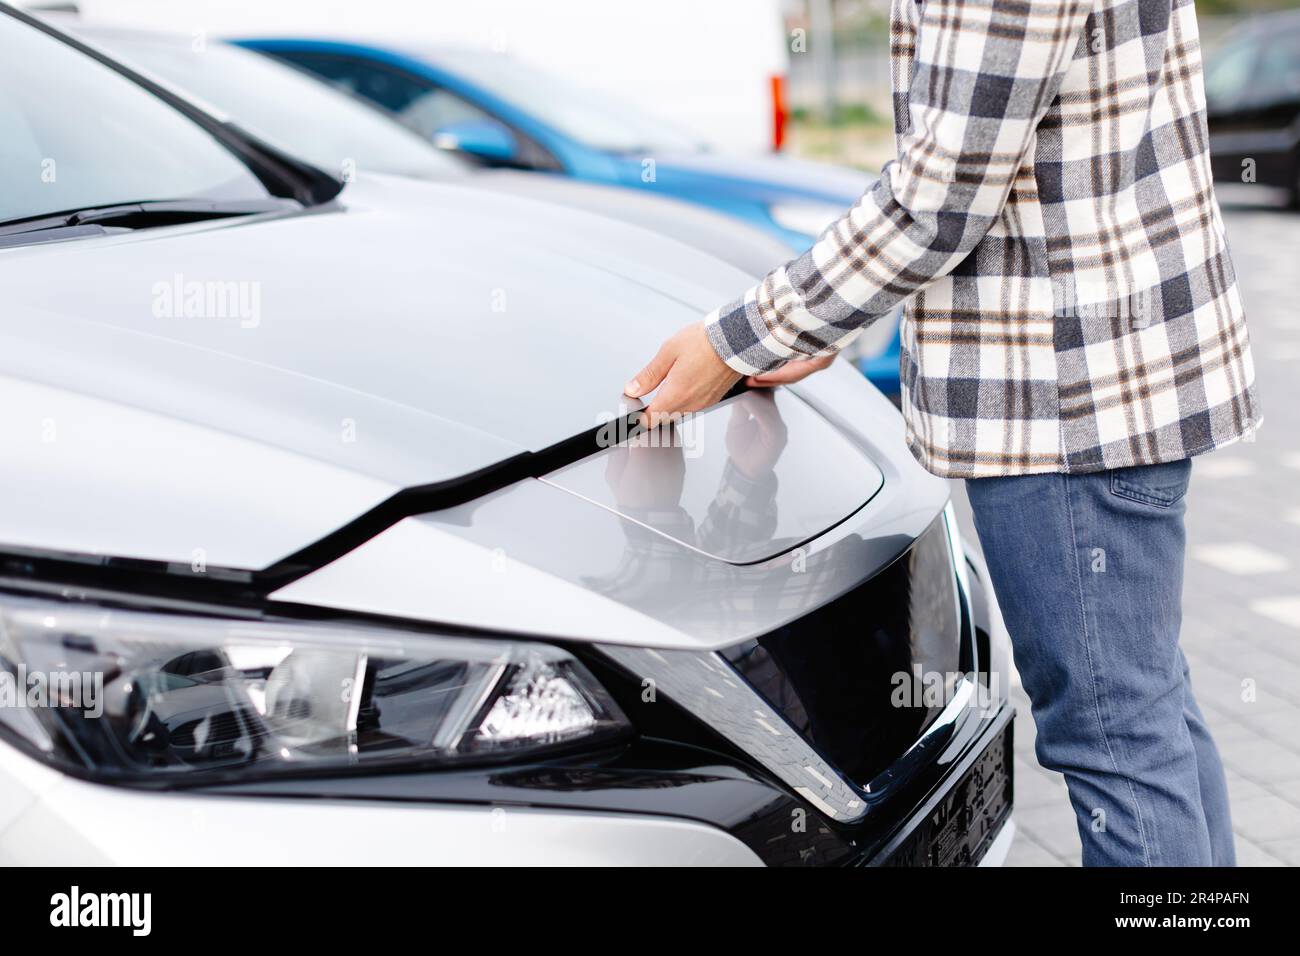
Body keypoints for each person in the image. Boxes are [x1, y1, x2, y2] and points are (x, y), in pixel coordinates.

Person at [624, 0, 1259, 866]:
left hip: (1064, 401)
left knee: (1118, 737)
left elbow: (943, 192)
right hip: (1108, 379)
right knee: (1147, 720)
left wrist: (746, 334)